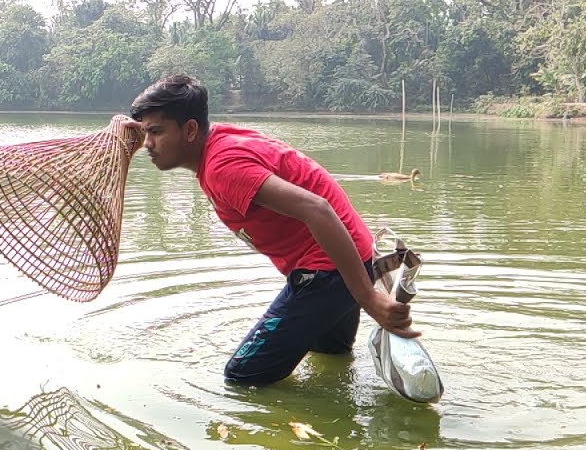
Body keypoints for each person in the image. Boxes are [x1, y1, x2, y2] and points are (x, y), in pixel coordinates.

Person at [128, 73, 415, 386]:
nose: (148, 145)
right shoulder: (219, 143)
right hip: (352, 255)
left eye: (156, 132)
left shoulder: (223, 167)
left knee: (241, 377)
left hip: (330, 269)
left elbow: (316, 208)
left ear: (191, 130)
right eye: (146, 134)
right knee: (329, 356)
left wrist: (367, 298)